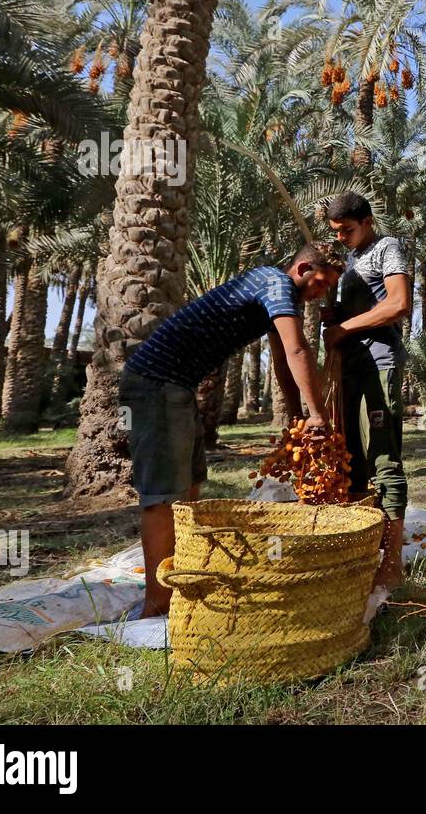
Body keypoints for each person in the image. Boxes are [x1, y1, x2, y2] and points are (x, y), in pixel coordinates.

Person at [120, 243, 343, 617]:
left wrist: (296, 417)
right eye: (321, 283)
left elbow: (282, 360)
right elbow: (298, 351)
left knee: (189, 489)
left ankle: (181, 580)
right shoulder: (276, 284)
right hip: (155, 383)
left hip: (177, 386)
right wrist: (318, 415)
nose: (321, 294)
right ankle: (156, 605)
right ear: (303, 267)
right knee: (163, 498)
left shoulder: (271, 289)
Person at [323, 192, 413, 590]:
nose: (341, 237)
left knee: (383, 462)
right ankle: (363, 554)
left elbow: (398, 304)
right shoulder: (346, 262)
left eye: (347, 229)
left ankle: (392, 563)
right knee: (351, 463)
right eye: (336, 231)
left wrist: (346, 327)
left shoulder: (386, 248)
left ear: (368, 221)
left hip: (379, 366)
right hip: (348, 371)